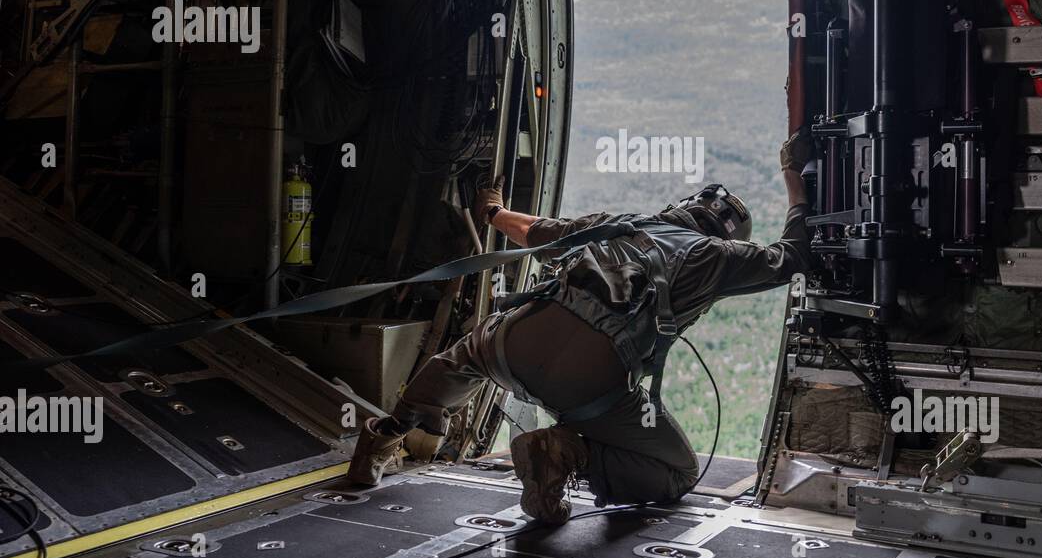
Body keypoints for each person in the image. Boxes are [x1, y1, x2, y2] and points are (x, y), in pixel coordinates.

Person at [346, 130, 813, 523]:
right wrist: (795, 180)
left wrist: (491, 211)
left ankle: (381, 440)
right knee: (677, 472)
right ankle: (564, 452)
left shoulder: (621, 224)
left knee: (466, 356)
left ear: (684, 207)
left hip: (513, 346)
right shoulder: (717, 257)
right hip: (588, 387)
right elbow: (793, 257)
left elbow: (534, 231)